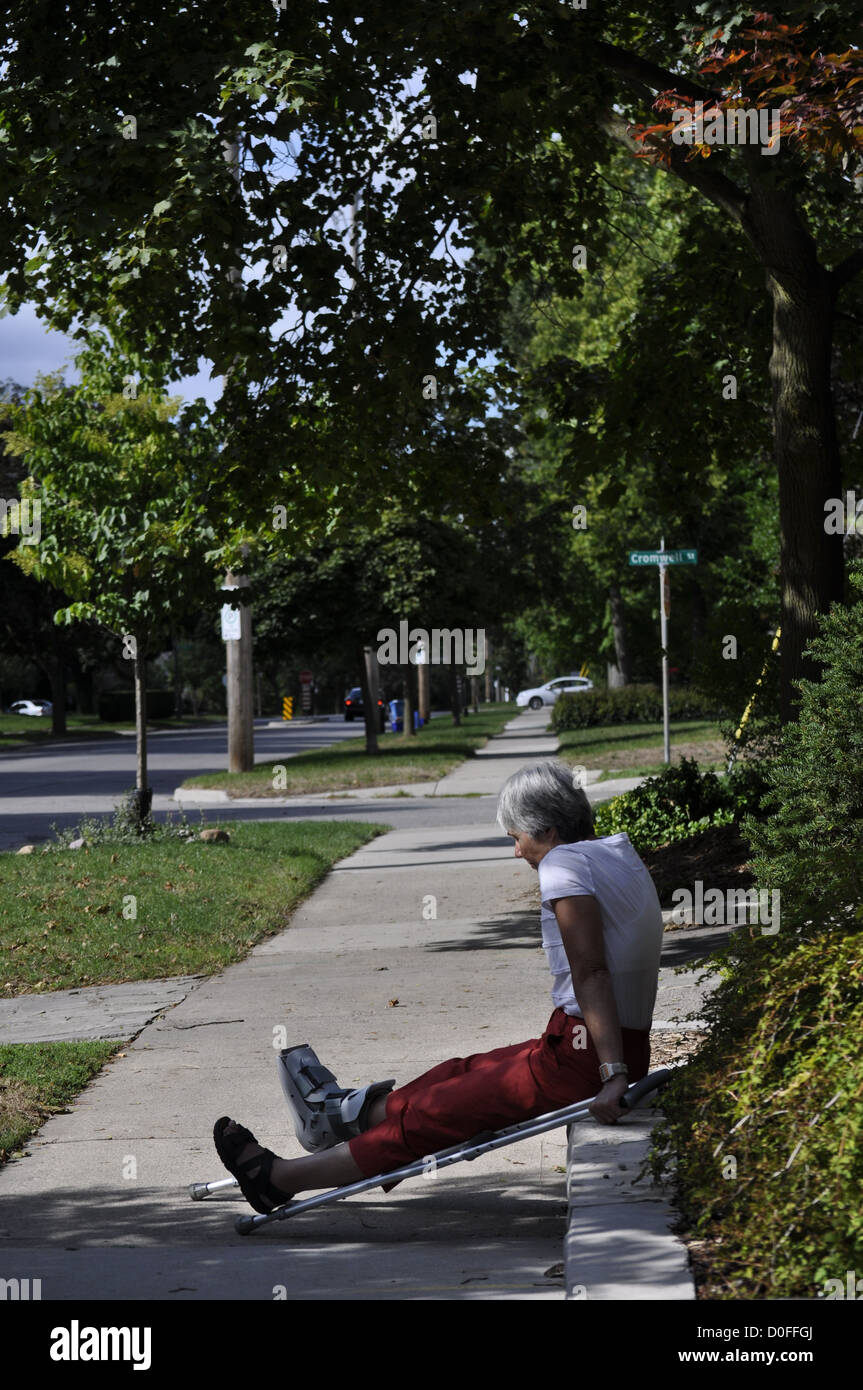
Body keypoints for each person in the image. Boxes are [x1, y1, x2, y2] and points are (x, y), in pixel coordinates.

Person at [213, 758, 665, 1214]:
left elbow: (592, 971)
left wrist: (613, 1074)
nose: (516, 851)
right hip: (588, 1042)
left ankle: (276, 1179)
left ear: (546, 829)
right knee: (458, 1073)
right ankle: (339, 1116)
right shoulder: (615, 850)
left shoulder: (562, 862)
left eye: (517, 838)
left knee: (434, 1117)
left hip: (588, 1056)